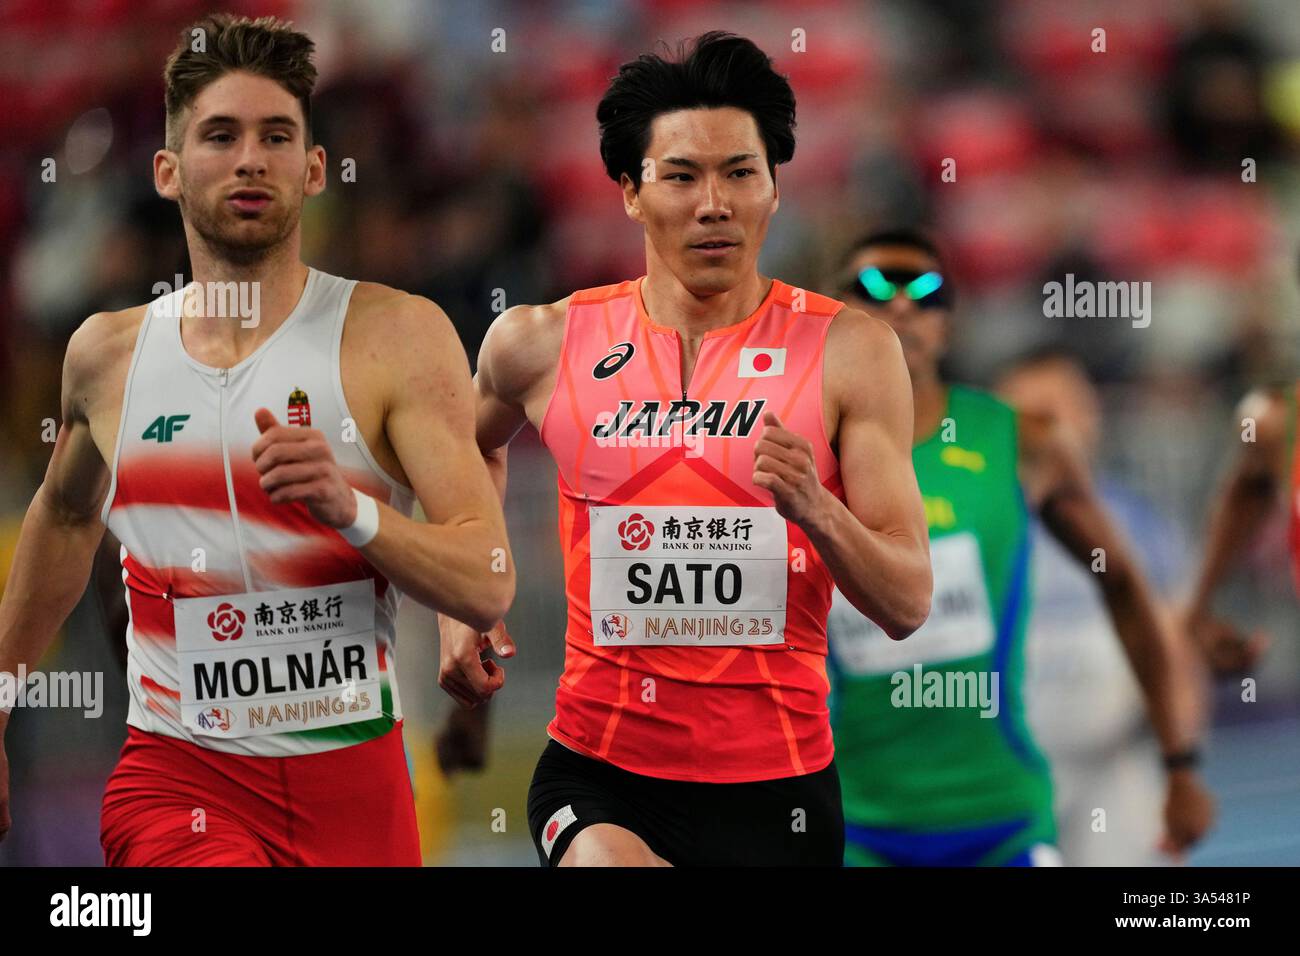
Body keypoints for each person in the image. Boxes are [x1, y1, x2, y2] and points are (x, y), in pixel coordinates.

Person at [0, 13, 514, 866]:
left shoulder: (397, 338)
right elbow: (62, 517)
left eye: (277, 136)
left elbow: (486, 580)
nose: (250, 159)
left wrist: (349, 509)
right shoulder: (106, 357)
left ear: (314, 168)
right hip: (176, 784)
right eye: (221, 136)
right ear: (168, 170)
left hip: (356, 789)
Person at [438, 32, 932, 867]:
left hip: (780, 790)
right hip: (597, 772)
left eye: (741, 173)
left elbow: (907, 601)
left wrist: (817, 509)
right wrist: (464, 602)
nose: (715, 204)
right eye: (682, 176)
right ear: (630, 192)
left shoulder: (852, 351)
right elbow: (460, 451)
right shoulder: (538, 342)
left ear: (775, 189)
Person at [824, 227, 1214, 866]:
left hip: (1002, 822)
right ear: (832, 311)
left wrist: (1180, 761)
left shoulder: (1023, 443)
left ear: (951, 323)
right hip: (855, 826)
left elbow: (1124, 585)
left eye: (926, 292)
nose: (900, 306)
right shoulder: (792, 455)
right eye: (874, 288)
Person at [996, 349, 1203, 866]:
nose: (1053, 430)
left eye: (1065, 409)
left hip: (1119, 768)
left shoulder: (1140, 525)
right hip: (1006, 776)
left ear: (1091, 414)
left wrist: (1183, 765)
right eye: (1034, 415)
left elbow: (1178, 655)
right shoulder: (973, 523)